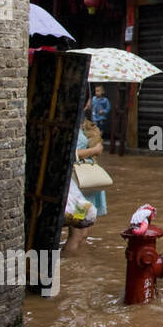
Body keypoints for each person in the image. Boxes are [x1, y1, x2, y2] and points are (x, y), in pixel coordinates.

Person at [65, 97, 107, 255]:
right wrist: (93, 151)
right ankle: (67, 266)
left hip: (86, 183)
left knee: (84, 232)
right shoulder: (70, 122)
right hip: (76, 184)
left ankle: (74, 266)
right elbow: (68, 154)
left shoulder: (84, 122)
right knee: (78, 233)